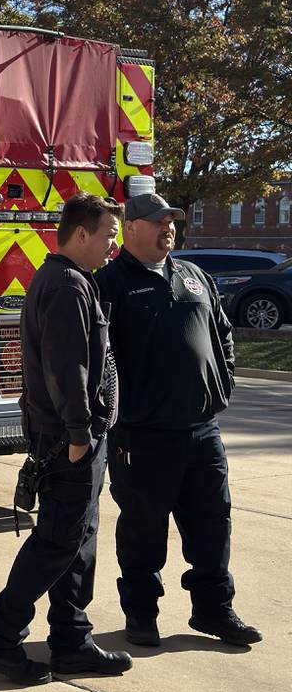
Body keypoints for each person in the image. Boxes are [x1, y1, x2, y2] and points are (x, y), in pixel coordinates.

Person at [0, 192, 130, 686]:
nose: (114, 245)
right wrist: (81, 434)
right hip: (68, 439)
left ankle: (71, 641)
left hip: (79, 436)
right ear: (81, 233)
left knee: (78, 542)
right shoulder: (66, 285)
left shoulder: (72, 281)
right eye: (108, 234)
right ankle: (0, 637)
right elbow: (69, 369)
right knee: (57, 542)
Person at [96, 192, 261, 648]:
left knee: (213, 524)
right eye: (157, 221)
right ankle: (142, 615)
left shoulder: (192, 275)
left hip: (201, 429)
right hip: (143, 435)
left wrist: (222, 384)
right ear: (130, 229)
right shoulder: (109, 283)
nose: (168, 227)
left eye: (172, 221)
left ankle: (214, 610)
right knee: (144, 529)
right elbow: (95, 359)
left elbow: (222, 332)